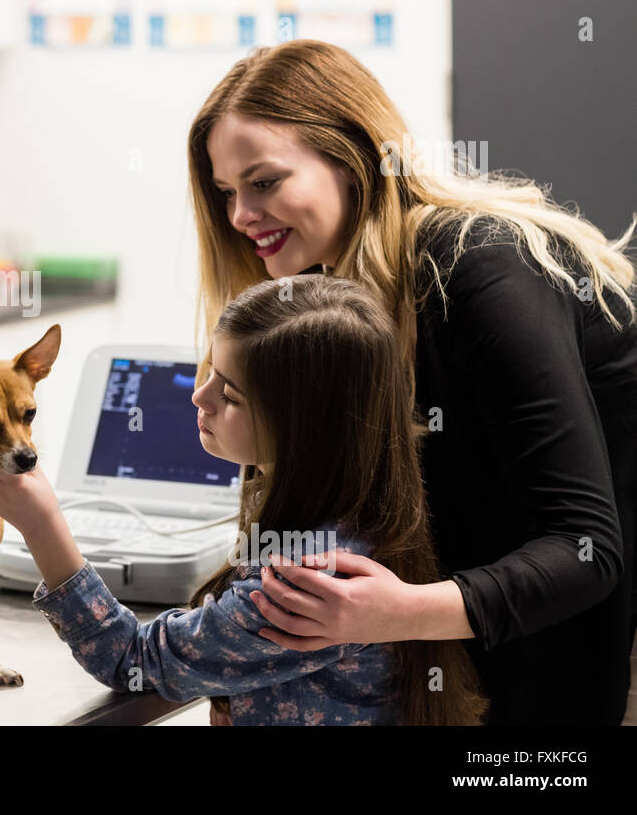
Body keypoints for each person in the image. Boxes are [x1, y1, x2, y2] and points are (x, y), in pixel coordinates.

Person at [186, 39, 637, 725]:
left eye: (265, 181)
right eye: (225, 192)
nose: (240, 215)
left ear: (356, 160)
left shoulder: (480, 266)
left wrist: (395, 613)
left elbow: (585, 550)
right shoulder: (329, 296)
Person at [0, 274, 488, 724]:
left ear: (304, 429)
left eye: (228, 393)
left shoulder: (304, 586)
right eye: (209, 371)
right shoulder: (361, 504)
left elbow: (132, 660)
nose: (198, 396)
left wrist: (40, 520)